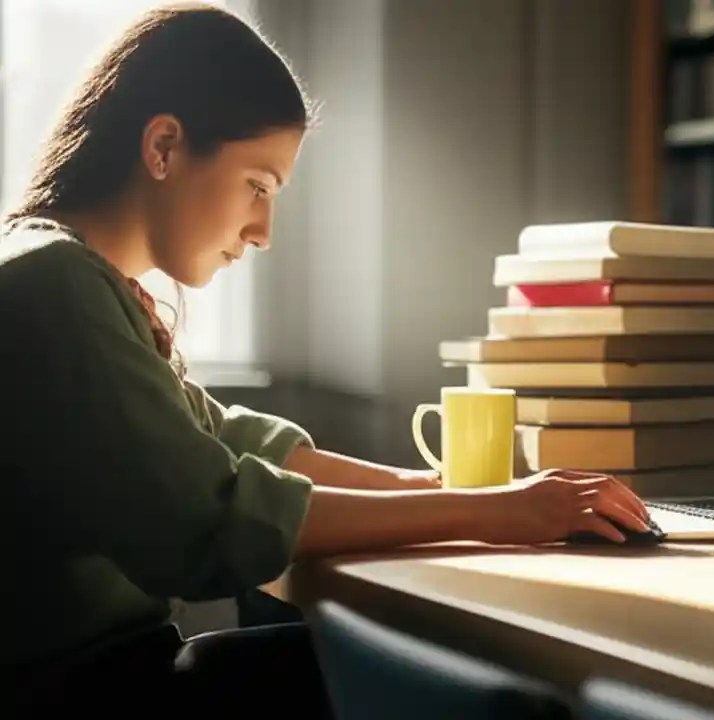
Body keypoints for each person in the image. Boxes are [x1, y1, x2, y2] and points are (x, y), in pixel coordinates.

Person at [0, 3, 651, 717]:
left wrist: (438, 490)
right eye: (259, 184)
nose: (264, 230)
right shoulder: (51, 285)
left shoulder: (67, 277)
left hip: (111, 680)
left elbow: (229, 441)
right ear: (163, 147)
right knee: (480, 674)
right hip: (80, 698)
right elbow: (207, 519)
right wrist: (496, 512)